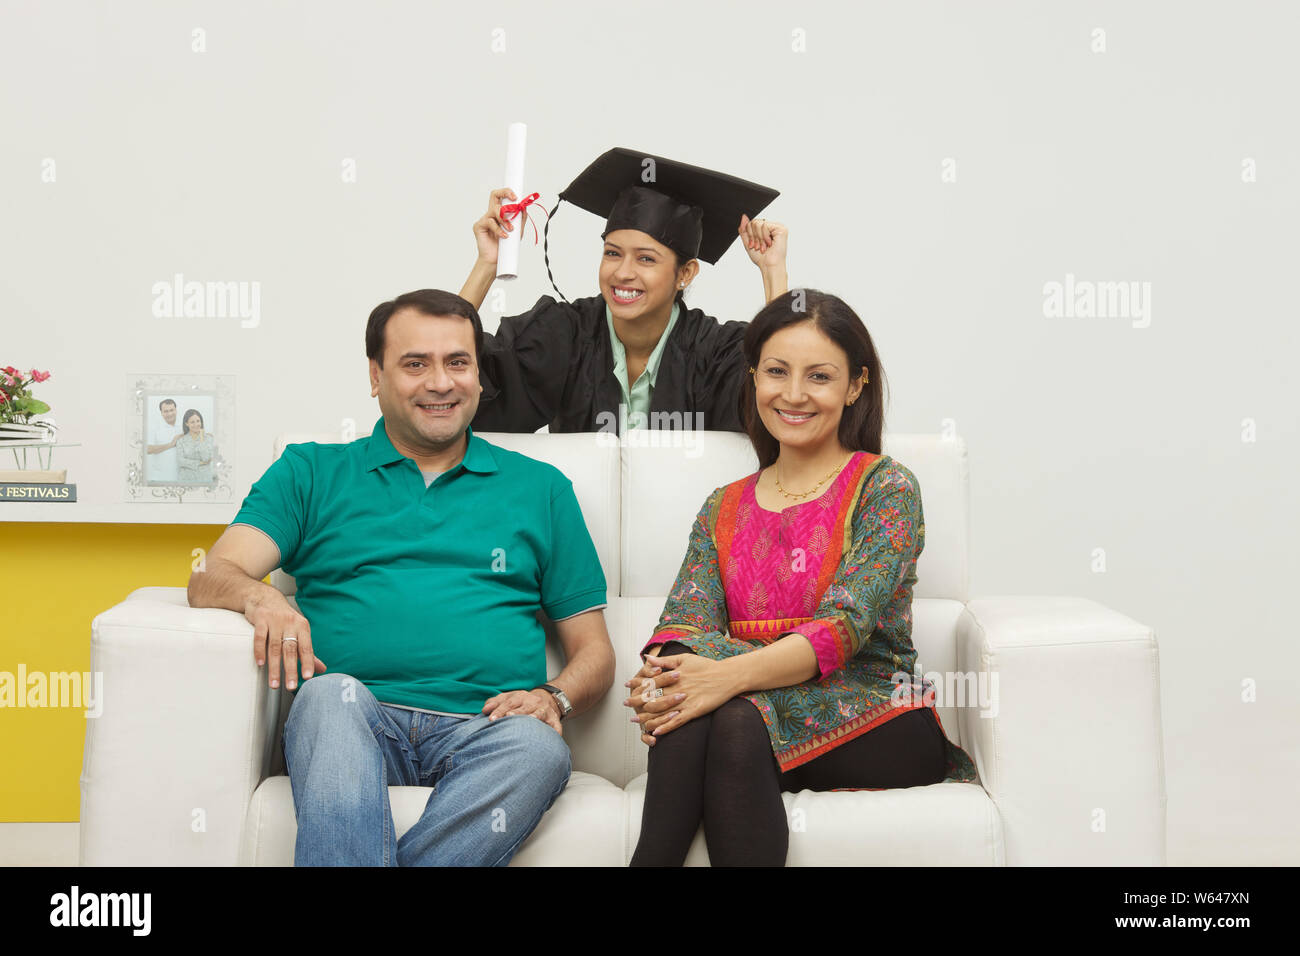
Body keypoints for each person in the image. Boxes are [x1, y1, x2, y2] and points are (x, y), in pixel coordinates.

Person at [187, 289, 616, 866]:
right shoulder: (311, 471)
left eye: (457, 363)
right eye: (416, 364)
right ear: (375, 375)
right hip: (354, 718)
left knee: (538, 748)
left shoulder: (540, 488)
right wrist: (259, 597)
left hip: (486, 728)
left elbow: (594, 653)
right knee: (326, 696)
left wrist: (554, 698)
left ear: (480, 376)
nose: (440, 383)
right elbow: (212, 572)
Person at [623, 289, 980, 867]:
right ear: (753, 377)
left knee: (729, 713)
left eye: (818, 376)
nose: (793, 394)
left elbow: (842, 627)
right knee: (692, 712)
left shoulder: (885, 487)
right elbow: (683, 624)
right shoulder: (723, 506)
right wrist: (668, 681)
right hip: (749, 709)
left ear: (855, 386)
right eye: (776, 372)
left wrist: (721, 677)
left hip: (879, 711)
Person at [460, 147, 788, 434]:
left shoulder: (713, 352)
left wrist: (773, 272)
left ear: (684, 274)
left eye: (646, 259)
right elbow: (453, 385)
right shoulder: (565, 334)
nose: (623, 272)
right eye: (612, 253)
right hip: (574, 505)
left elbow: (778, 399)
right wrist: (487, 264)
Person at [175, 409, 217, 482]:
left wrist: (202, 438)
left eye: (198, 421)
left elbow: (206, 458)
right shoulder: (181, 441)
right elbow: (180, 461)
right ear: (187, 424)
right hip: (186, 479)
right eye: (192, 422)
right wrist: (200, 463)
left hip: (204, 479)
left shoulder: (209, 438)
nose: (196, 424)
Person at [145, 398, 181, 481]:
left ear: (176, 410)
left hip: (179, 480)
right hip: (159, 479)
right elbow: (147, 449)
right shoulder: (154, 428)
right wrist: (171, 444)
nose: (169, 414)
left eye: (172, 410)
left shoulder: (182, 428)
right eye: (166, 411)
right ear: (161, 413)